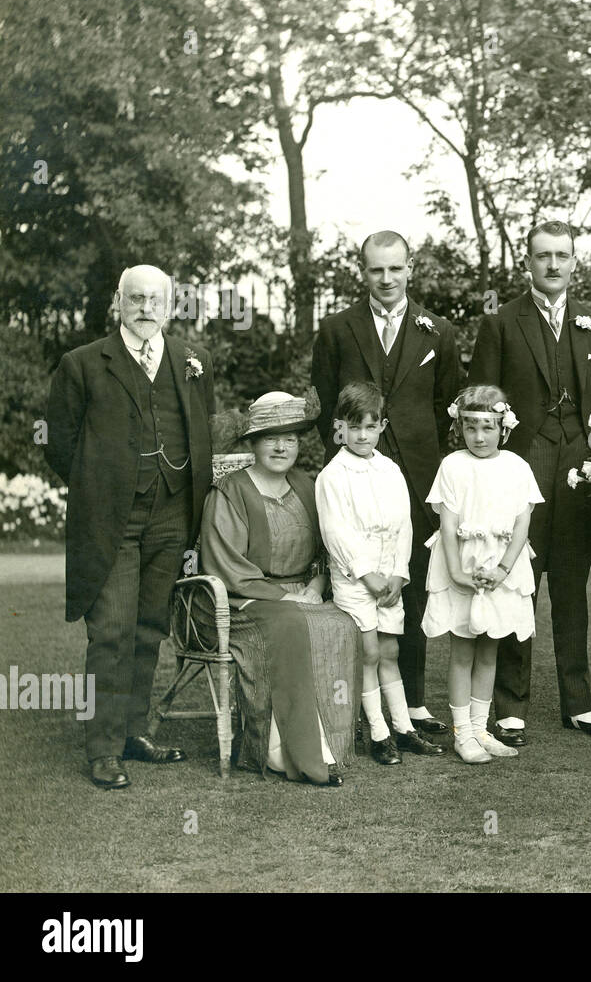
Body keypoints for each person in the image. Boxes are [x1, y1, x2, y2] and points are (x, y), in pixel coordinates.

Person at [44, 264, 214, 788]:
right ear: (119, 302)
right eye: (134, 298)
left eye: (154, 299)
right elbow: (60, 446)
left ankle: (133, 734)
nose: (144, 307)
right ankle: (102, 749)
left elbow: (202, 432)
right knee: (111, 631)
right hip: (112, 520)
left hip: (171, 514)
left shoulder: (194, 361)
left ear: (170, 306)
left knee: (148, 629)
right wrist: (105, 484)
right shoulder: (82, 364)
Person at [466, 221, 591, 745]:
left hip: (579, 463)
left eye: (562, 256)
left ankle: (579, 703)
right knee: (517, 583)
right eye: (542, 256)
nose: (553, 265)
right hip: (523, 460)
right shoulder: (502, 323)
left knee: (573, 583)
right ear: (527, 263)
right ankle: (510, 706)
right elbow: (482, 401)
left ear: (575, 262)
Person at [311, 230, 460, 738]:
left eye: (395, 268)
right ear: (364, 271)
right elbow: (327, 402)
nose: (387, 278)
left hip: (415, 477)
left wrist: (421, 459)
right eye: (376, 269)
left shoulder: (437, 331)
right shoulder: (336, 329)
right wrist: (347, 462)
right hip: (353, 478)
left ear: (409, 268)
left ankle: (412, 701)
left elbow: (445, 408)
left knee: (409, 582)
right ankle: (355, 702)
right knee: (353, 584)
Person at [199, 392, 359, 787]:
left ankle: (331, 746)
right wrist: (288, 597)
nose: (281, 446)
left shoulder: (307, 486)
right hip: (241, 602)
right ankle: (281, 753)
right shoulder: (230, 492)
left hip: (302, 595)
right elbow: (226, 565)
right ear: (252, 443)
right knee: (290, 623)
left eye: (289, 437)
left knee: (343, 622)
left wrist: (317, 583)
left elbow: (326, 548)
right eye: (270, 437)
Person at [316, 382, 445, 766]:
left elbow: (404, 524)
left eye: (370, 427)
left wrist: (397, 574)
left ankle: (403, 727)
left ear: (382, 426)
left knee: (390, 649)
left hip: (389, 576)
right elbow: (334, 531)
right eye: (353, 427)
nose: (361, 435)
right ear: (339, 427)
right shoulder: (333, 475)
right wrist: (366, 574)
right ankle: (377, 731)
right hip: (356, 577)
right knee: (368, 651)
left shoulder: (389, 469)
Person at [422, 385, 543, 763]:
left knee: (490, 647)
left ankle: (480, 728)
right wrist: (457, 571)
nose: (479, 437)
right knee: (462, 650)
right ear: (460, 428)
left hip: (501, 566)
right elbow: (448, 522)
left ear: (504, 429)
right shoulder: (453, 466)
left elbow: (523, 521)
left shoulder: (517, 467)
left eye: (488, 427)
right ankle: (462, 733)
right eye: (471, 427)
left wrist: (504, 568)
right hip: (464, 563)